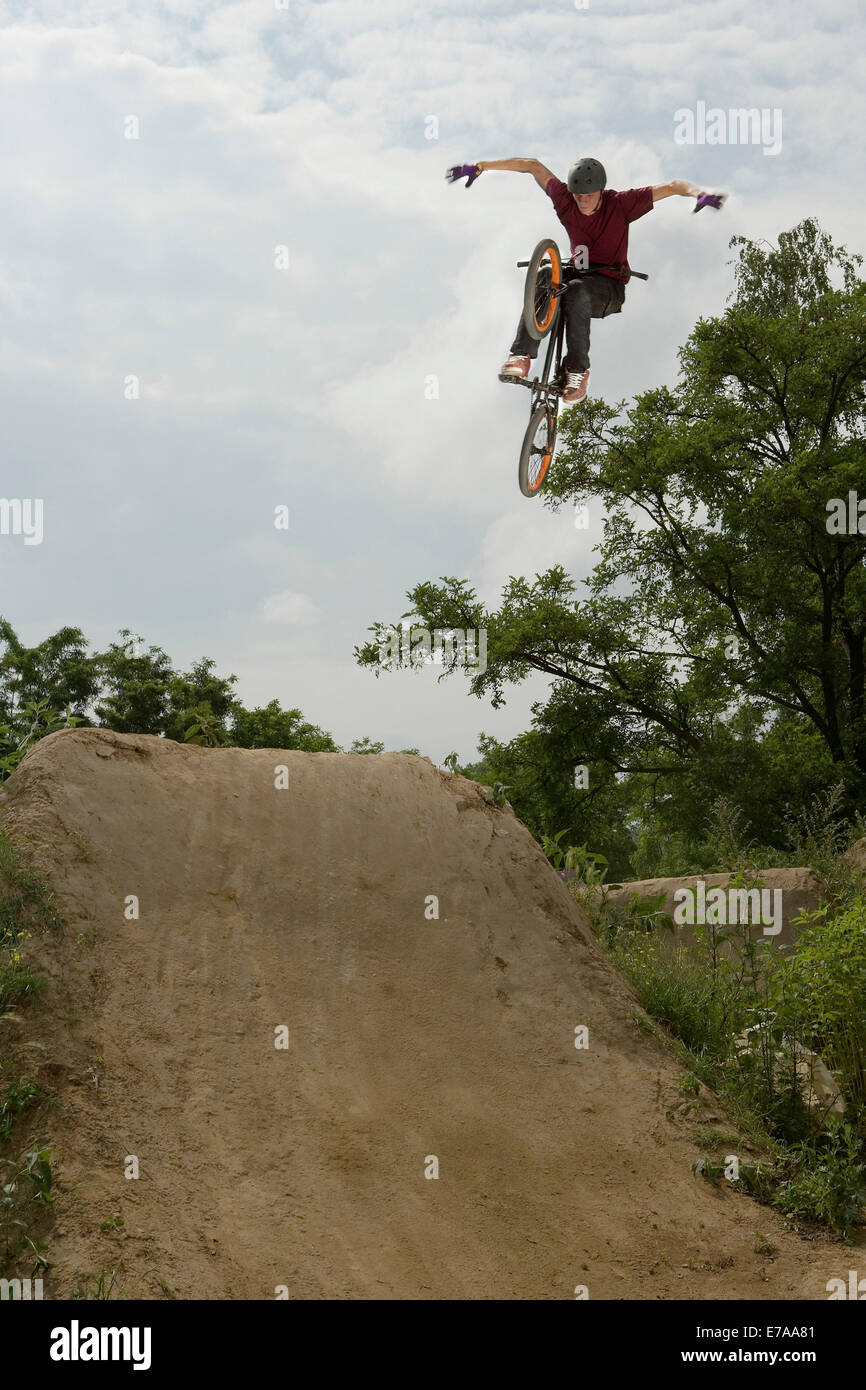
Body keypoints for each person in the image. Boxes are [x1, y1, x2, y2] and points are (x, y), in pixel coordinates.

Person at [446, 157, 725, 403]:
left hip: (609, 286)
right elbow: (531, 166)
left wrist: (699, 194)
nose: (582, 201)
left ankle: (578, 370)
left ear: (601, 191)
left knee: (577, 291)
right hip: (575, 276)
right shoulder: (566, 200)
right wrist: (481, 167)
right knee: (546, 274)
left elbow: (673, 185)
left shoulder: (621, 204)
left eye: (588, 196)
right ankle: (522, 354)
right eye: (578, 195)